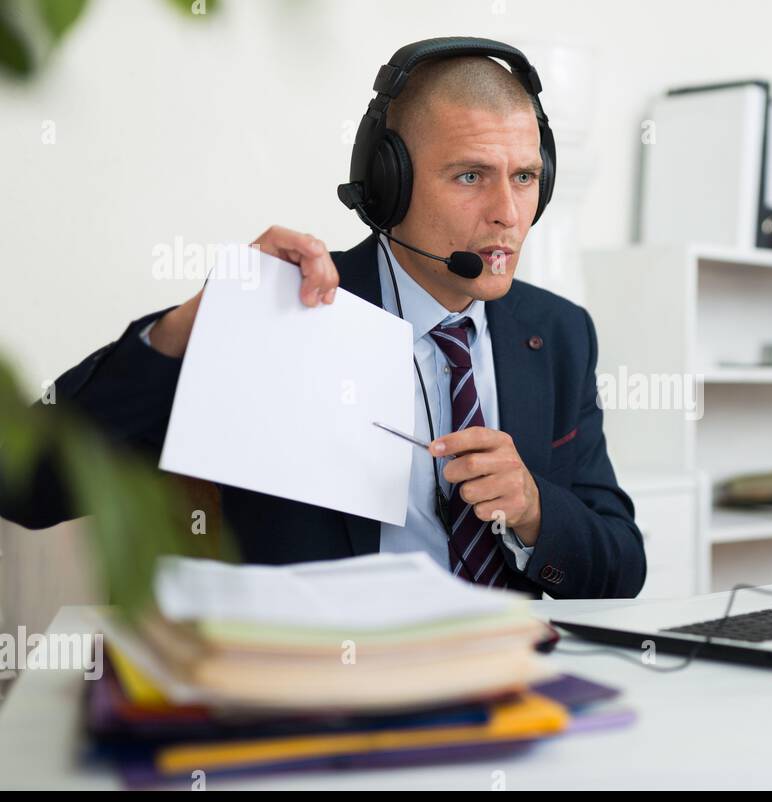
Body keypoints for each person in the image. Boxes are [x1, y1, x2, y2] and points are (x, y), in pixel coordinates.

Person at [0, 39, 646, 600]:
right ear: (386, 184)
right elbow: (27, 487)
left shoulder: (559, 331)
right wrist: (190, 329)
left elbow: (622, 564)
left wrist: (535, 510)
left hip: (513, 683)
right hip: (330, 689)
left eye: (526, 176)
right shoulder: (290, 310)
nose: (508, 211)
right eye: (471, 174)